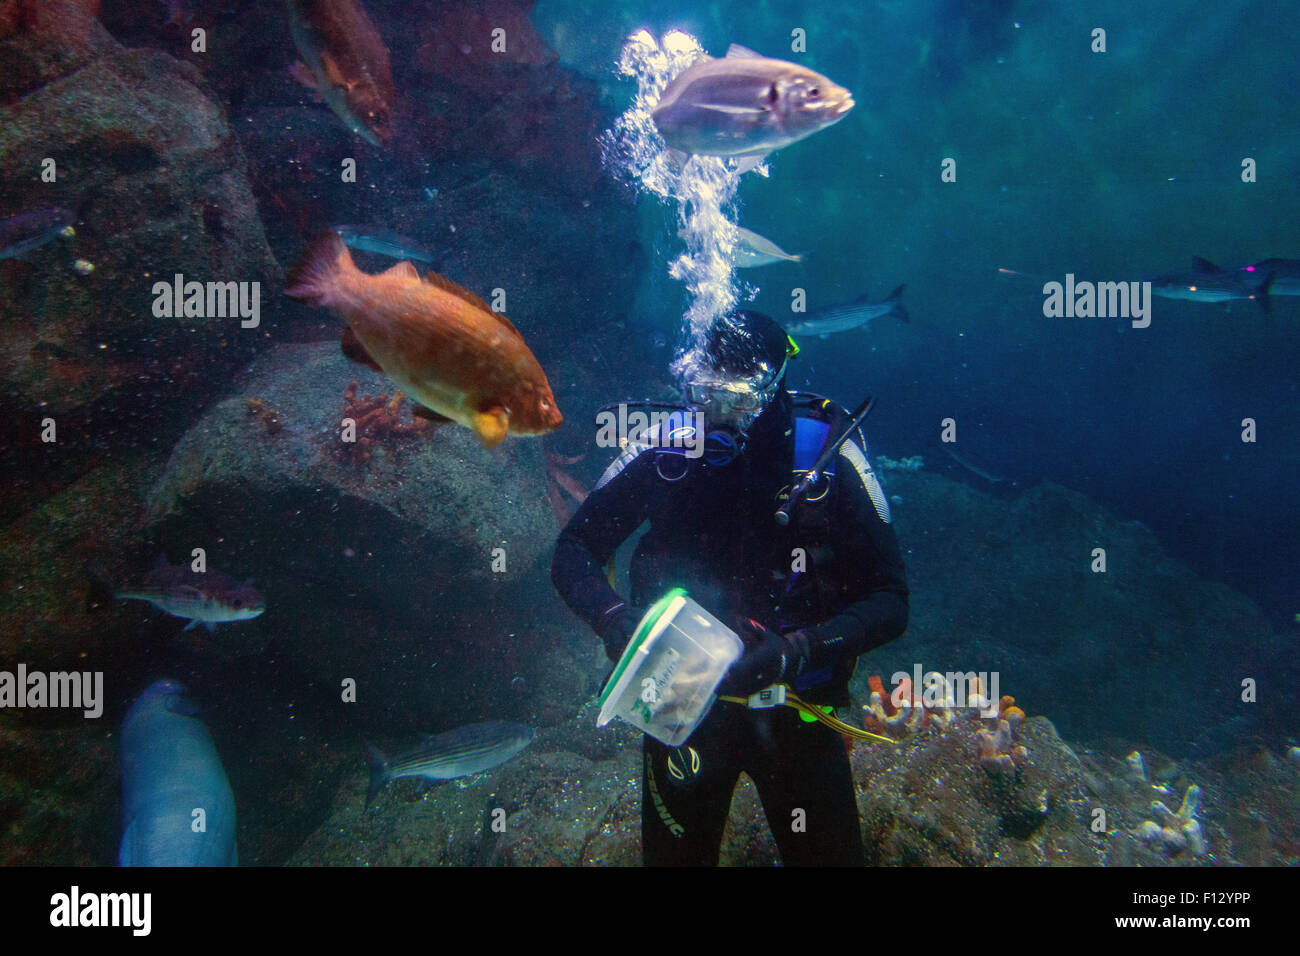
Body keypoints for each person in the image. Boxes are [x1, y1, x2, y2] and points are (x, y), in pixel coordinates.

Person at [551, 310, 908, 866]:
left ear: (775, 383)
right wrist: (614, 618)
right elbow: (574, 551)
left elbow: (890, 601)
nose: (717, 416)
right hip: (678, 700)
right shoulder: (664, 451)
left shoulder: (828, 459)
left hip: (798, 707)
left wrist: (797, 653)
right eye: (704, 393)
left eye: (739, 399)